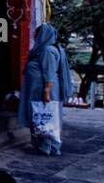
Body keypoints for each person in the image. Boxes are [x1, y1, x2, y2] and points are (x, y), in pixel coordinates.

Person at [17, 21, 73, 156]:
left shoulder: (47, 50)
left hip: (43, 89)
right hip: (38, 89)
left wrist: (46, 92)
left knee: (45, 116)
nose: (34, 36)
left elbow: (49, 72)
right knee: (42, 115)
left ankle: (46, 146)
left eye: (37, 34)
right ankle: (45, 145)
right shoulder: (45, 49)